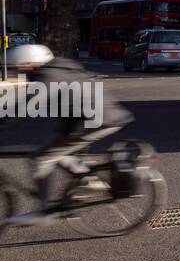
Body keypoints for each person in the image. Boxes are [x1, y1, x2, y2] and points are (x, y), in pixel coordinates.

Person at [4, 44, 134, 226]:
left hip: (95, 120)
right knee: (54, 151)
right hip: (89, 118)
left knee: (41, 158)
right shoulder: (59, 68)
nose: (17, 73)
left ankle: (46, 211)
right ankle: (89, 181)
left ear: (29, 64)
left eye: (18, 68)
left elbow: (24, 106)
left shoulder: (49, 77)